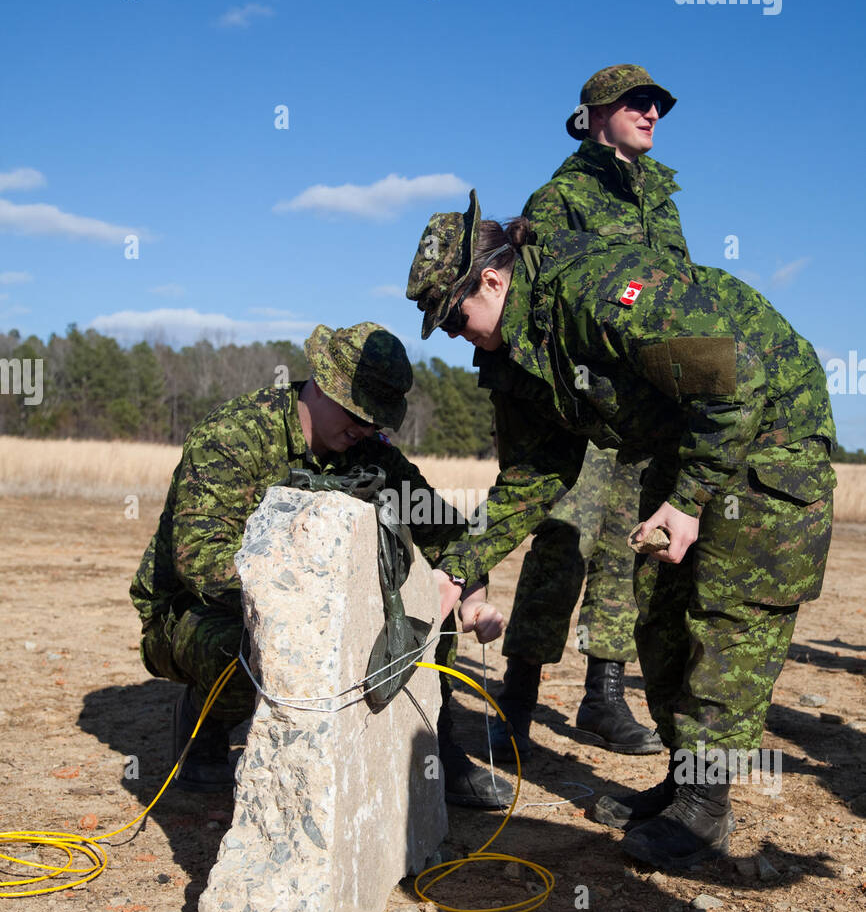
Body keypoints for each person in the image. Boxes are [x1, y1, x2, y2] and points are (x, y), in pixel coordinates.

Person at [405, 193, 836, 870]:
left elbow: (735, 381)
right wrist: (459, 567)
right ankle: (681, 783)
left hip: (765, 438)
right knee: (659, 613)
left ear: (492, 279)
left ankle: (704, 810)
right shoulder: (517, 353)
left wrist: (690, 499)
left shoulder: (597, 291)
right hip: (684, 446)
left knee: (728, 617)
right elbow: (535, 474)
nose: (457, 337)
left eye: (454, 319)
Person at [130, 322, 508, 808]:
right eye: (357, 413)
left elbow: (448, 533)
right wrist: (306, 607)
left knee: (427, 610)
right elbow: (200, 560)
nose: (365, 429)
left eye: (376, 420)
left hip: (323, 610)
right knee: (246, 648)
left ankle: (437, 745)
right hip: (202, 611)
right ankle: (207, 720)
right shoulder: (236, 435)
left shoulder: (372, 455)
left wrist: (472, 600)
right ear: (322, 382)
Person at [494, 64, 687, 760]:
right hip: (578, 401)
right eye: (637, 103)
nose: (652, 113)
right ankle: (517, 699)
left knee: (627, 544)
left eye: (658, 105)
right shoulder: (561, 196)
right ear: (596, 113)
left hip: (645, 405)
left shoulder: (661, 202)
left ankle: (604, 695)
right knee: (562, 540)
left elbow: (680, 290)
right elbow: (537, 305)